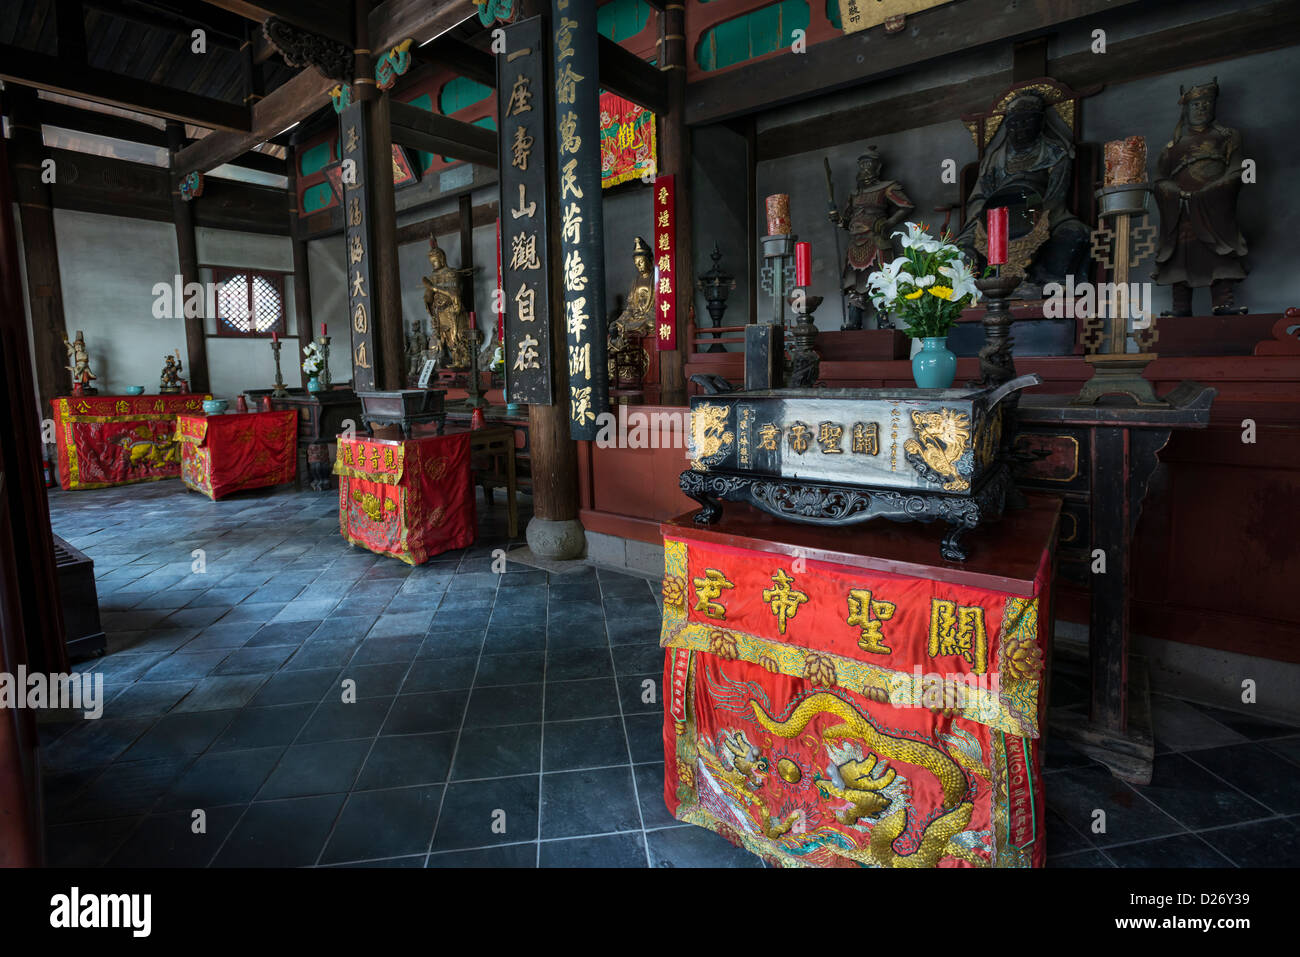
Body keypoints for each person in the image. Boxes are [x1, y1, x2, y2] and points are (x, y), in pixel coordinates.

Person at [956, 91, 1090, 299]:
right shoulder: (993, 160)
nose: (1020, 128)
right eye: (1014, 123)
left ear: (1041, 122)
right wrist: (986, 216)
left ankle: (1046, 283)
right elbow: (979, 197)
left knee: (1074, 233)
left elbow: (1056, 195)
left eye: (1027, 121)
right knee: (960, 249)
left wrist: (1036, 219)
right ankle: (974, 290)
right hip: (995, 216)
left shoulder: (1056, 153)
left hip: (1042, 211)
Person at [1152, 79, 1248, 316]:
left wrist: (1212, 191)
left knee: (1220, 252)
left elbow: (1240, 170)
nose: (1201, 108)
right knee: (1179, 255)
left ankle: (1223, 303)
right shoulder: (1172, 147)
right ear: (1186, 109)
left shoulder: (1228, 137)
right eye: (1195, 104)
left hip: (1215, 205)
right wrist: (1177, 194)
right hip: (1180, 209)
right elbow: (1159, 180)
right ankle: (1180, 308)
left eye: (1207, 103)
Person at [828, 148, 914, 329]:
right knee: (853, 282)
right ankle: (854, 320)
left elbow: (906, 206)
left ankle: (883, 320)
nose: (865, 168)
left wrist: (888, 223)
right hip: (855, 242)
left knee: (881, 279)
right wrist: (838, 220)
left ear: (878, 166)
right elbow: (847, 222)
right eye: (862, 164)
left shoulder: (887, 187)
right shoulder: (854, 194)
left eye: (869, 164)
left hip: (876, 239)